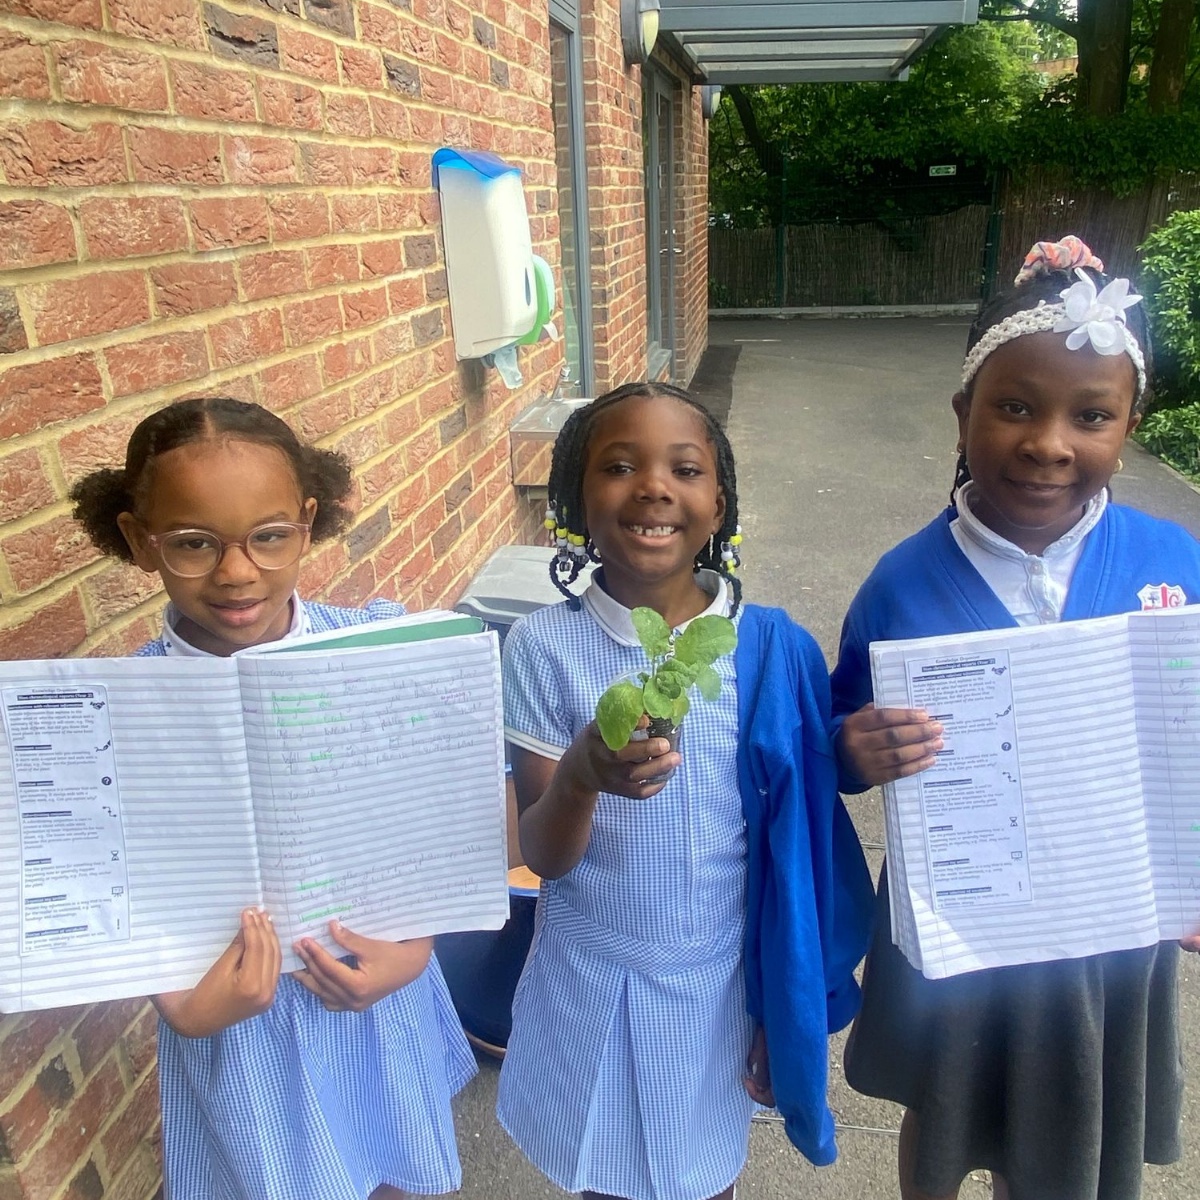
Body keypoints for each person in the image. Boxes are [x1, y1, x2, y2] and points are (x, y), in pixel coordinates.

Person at [831, 236, 1200, 1200]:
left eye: (1091, 416)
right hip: (963, 919)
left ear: (1130, 424)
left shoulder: (1173, 567)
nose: (1049, 443)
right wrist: (856, 748)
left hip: (1109, 930)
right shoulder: (903, 585)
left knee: (1076, 1128)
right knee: (944, 1107)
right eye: (1015, 408)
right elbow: (835, 739)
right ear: (964, 415)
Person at [69, 396, 476, 1200]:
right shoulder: (113, 715)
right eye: (191, 543)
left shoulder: (379, 654)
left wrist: (418, 944)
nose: (236, 571)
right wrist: (176, 1002)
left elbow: (435, 821)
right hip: (231, 1022)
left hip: (374, 990)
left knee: (398, 1174)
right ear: (137, 542)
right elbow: (103, 880)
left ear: (307, 521)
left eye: (269, 535)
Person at [495, 381, 873, 1200]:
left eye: (685, 468)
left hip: (715, 989)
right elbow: (544, 855)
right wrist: (583, 777)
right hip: (589, 976)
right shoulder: (542, 648)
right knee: (600, 1175)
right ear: (574, 498)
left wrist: (782, 1006)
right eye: (619, 465)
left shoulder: (768, 651)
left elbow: (799, 853)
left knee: (702, 1180)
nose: (654, 486)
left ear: (717, 504)